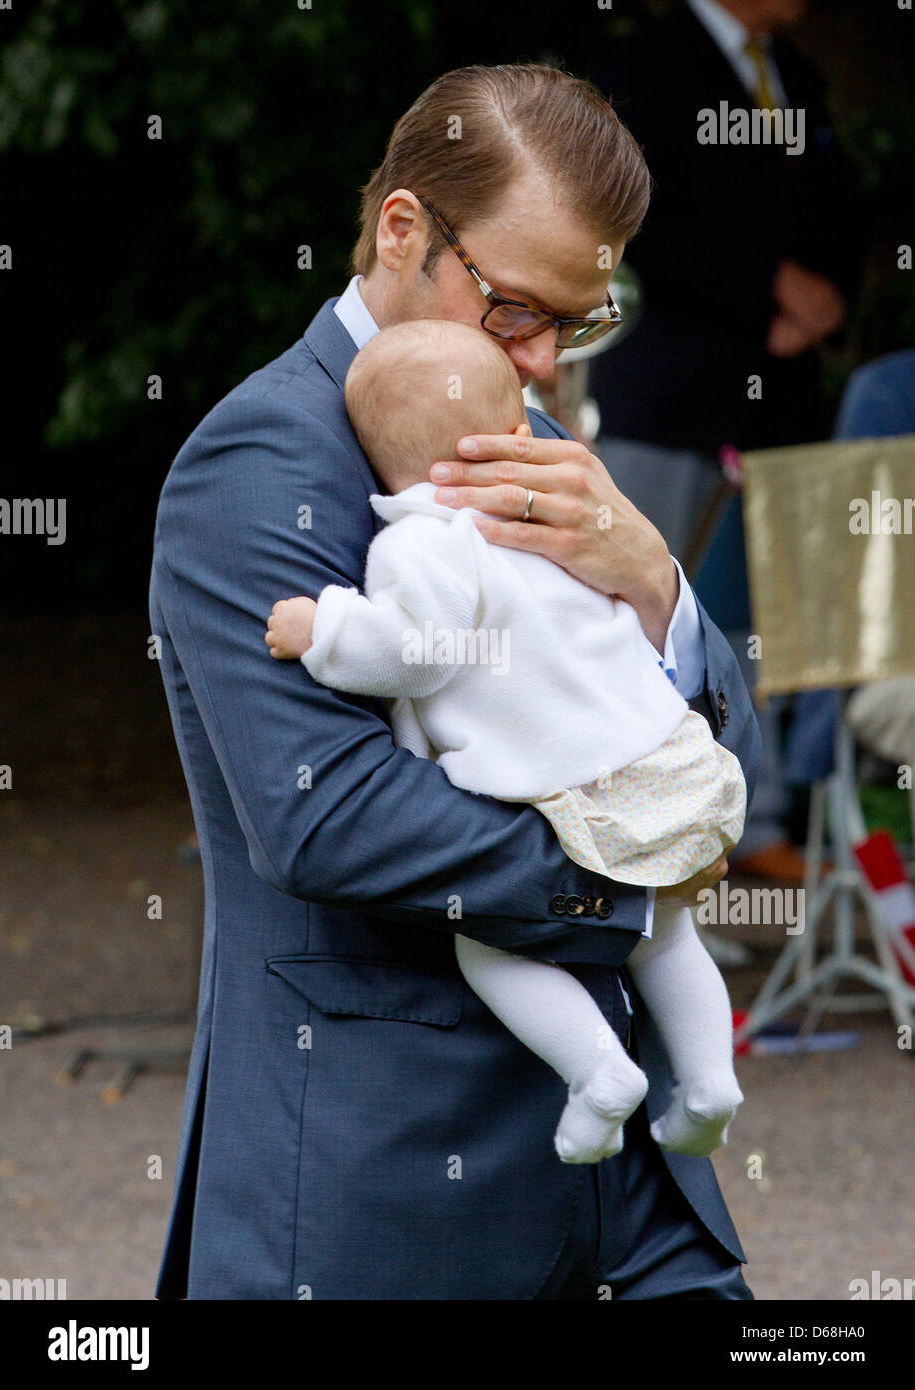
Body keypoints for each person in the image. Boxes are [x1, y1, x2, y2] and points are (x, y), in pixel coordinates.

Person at [150, 63, 760, 1300]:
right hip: (392, 1198)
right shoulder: (261, 457)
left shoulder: (528, 435)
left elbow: (710, 747)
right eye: (514, 309)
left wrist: (654, 584)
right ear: (401, 228)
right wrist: (637, 871)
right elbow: (328, 817)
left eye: (573, 324)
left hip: (639, 1202)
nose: (537, 366)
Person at [266, 317, 747, 1166]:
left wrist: (324, 627)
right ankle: (709, 1082)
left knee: (485, 949)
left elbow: (414, 653)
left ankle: (597, 1073)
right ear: (517, 431)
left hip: (575, 795)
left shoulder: (423, 541)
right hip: (664, 761)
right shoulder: (561, 525)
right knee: (668, 934)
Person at [590, 0, 861, 881]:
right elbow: (633, 217)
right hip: (669, 402)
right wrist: (768, 288)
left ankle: (752, 823)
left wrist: (822, 301)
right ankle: (638, 836)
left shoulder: (797, 75)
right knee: (641, 618)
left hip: (781, 400)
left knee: (756, 624)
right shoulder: (646, 62)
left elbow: (836, 205)